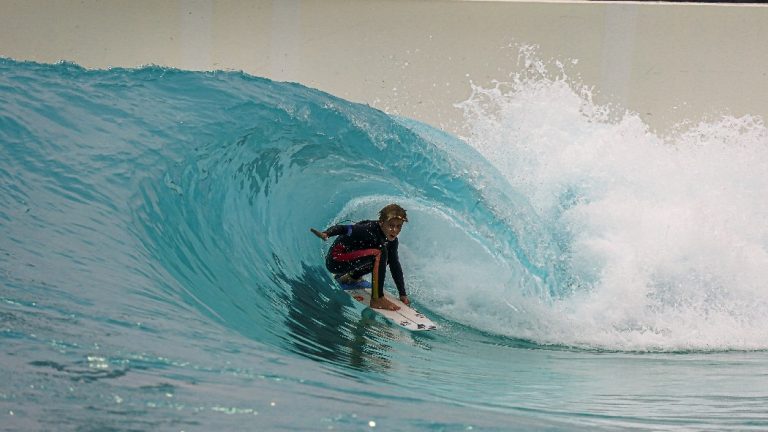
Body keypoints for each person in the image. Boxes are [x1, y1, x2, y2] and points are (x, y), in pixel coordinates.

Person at [311, 204, 410, 311]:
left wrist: (402, 293)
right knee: (380, 253)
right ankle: (377, 299)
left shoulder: (392, 241)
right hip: (336, 260)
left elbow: (394, 264)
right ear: (381, 223)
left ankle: (351, 277)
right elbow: (344, 229)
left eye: (398, 226)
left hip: (349, 261)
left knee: (386, 256)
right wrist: (327, 233)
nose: (395, 230)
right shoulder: (367, 229)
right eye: (391, 225)